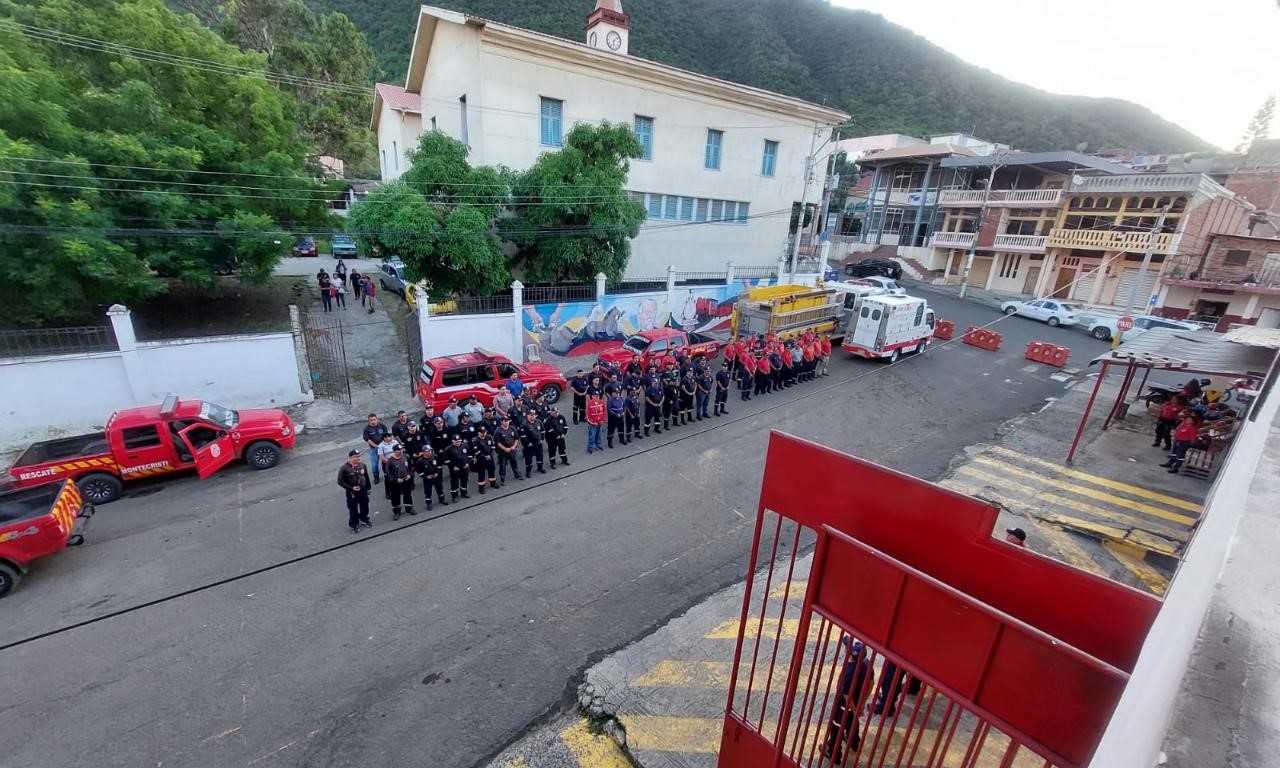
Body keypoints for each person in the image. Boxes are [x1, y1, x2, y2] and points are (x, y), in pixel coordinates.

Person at [822, 637, 875, 764]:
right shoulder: (867, 664)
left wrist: (855, 709)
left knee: (836, 727)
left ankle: (833, 753)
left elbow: (847, 696)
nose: (845, 649)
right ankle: (854, 742)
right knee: (852, 721)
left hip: (844, 705)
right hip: (857, 701)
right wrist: (861, 704)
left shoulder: (849, 672)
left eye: (847, 648)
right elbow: (871, 684)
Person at [337, 450, 373, 533]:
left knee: (365, 505)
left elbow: (366, 477)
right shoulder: (344, 468)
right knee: (353, 509)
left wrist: (368, 488)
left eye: (359, 456)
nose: (358, 458)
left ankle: (364, 519)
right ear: (350, 458)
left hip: (363, 490)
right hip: (352, 492)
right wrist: (351, 488)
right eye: (356, 457)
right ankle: (354, 524)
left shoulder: (362, 465)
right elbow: (340, 481)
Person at [384, 443, 416, 520]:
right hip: (395, 482)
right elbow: (388, 474)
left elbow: (411, 467)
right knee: (395, 497)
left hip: (406, 479)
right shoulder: (390, 461)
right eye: (399, 450)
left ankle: (409, 508)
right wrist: (396, 479)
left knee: (407, 494)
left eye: (401, 450)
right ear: (394, 451)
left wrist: (409, 475)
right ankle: (396, 512)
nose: (401, 451)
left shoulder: (406, 457)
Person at [414, 444, 447, 509]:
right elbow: (419, 472)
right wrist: (425, 476)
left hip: (436, 477)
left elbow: (439, 466)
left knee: (439, 488)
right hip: (427, 479)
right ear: (423, 452)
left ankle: (442, 499)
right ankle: (428, 503)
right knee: (428, 491)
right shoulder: (420, 461)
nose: (429, 452)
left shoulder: (435, 457)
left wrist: (437, 473)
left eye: (430, 450)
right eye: (427, 451)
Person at [494, 416, 523, 484]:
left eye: (507, 421)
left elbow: (516, 438)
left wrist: (514, 446)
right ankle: (502, 478)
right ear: (501, 422)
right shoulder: (498, 431)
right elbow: (497, 443)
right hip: (503, 452)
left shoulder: (512, 428)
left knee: (514, 463)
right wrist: (505, 448)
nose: (506, 422)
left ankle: (517, 475)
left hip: (512, 450)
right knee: (503, 465)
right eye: (505, 421)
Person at [443, 433, 472, 501]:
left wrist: (468, 463)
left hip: (464, 467)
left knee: (464, 480)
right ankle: (454, 496)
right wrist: (453, 467)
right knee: (454, 482)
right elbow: (445, 461)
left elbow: (470, 455)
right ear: (452, 441)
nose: (458, 442)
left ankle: (464, 493)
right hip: (455, 469)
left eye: (459, 441)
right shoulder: (448, 449)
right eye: (456, 441)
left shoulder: (465, 445)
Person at [470, 425, 498, 494]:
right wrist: (485, 456)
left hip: (490, 458)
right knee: (481, 473)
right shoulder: (475, 440)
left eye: (484, 432)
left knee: (492, 470)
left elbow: (493, 447)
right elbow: (477, 451)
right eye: (482, 432)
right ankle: (481, 487)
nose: (483, 433)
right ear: (478, 433)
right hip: (481, 459)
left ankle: (493, 483)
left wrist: (490, 455)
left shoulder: (489, 437)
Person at [362, 414, 388, 484]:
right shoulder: (367, 429)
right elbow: (368, 440)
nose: (373, 421)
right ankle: (376, 477)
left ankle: (387, 474)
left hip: (383, 448)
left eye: (374, 419)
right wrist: (376, 446)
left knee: (386, 461)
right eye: (371, 420)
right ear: (368, 421)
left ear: (377, 419)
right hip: (374, 449)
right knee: (374, 464)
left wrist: (383, 445)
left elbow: (386, 437)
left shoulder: (382, 426)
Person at [520, 410, 547, 475]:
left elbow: (543, 431)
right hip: (529, 445)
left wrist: (542, 439)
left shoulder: (538, 422)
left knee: (540, 456)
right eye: (531, 415)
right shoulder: (524, 425)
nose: (533, 416)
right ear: (528, 416)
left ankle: (540, 467)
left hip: (538, 443)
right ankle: (528, 471)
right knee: (529, 459)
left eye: (534, 415)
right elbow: (523, 436)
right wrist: (527, 443)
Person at [377, 433, 398, 498]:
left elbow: (400, 451)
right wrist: (390, 462)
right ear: (385, 438)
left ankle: (398, 490)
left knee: (397, 476)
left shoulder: (395, 442)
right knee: (388, 478)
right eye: (389, 437)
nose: (391, 438)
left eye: (391, 436)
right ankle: (388, 492)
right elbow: (382, 457)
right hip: (387, 463)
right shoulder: (381, 445)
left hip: (396, 461)